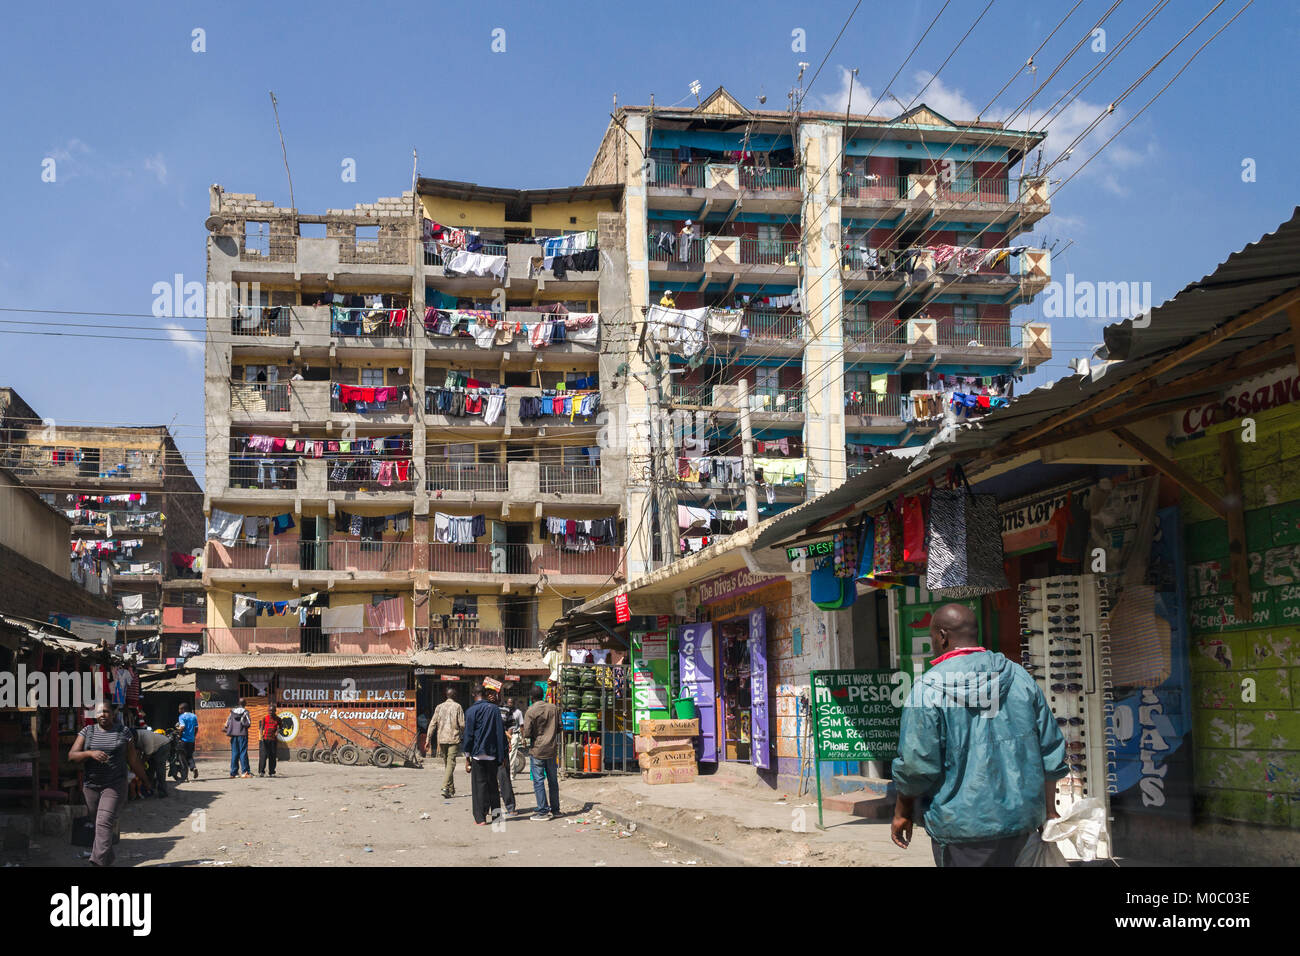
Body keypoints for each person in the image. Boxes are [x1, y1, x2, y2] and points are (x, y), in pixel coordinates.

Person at [890, 603, 1068, 867]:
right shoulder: (1019, 677)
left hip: (961, 829)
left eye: (932, 639)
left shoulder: (926, 689)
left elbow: (916, 764)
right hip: (1022, 822)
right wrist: (1049, 808)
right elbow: (1051, 750)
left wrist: (901, 811)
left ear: (942, 636)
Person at [69, 703, 151, 866]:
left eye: (106, 711)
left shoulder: (123, 732)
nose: (103, 715)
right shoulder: (87, 732)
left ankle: (97, 862)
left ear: (113, 714)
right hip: (91, 786)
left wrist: (146, 780)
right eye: (99, 712)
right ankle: (108, 858)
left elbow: (133, 760)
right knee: (98, 822)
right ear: (95, 715)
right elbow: (72, 756)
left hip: (115, 784)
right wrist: (90, 753)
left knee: (104, 821)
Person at [461, 685, 508, 825]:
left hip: (477, 755)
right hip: (493, 754)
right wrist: (503, 755)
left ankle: (480, 818)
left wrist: (467, 758)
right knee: (493, 785)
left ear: (473, 694)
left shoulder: (470, 711)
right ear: (485, 694)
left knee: (479, 787)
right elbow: (500, 733)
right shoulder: (494, 709)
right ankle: (497, 817)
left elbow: (468, 735)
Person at [521, 684, 561, 820]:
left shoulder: (531, 711)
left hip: (537, 750)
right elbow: (559, 727)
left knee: (538, 781)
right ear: (542, 694)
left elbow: (526, 733)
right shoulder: (553, 708)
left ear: (531, 697)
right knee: (553, 780)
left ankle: (543, 811)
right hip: (552, 749)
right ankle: (556, 810)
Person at [431, 687, 465, 799]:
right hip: (453, 739)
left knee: (448, 765)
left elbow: (432, 723)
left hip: (441, 739)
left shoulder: (439, 707)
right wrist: (466, 735)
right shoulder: (458, 706)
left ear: (446, 695)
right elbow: (462, 724)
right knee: (451, 764)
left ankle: (451, 789)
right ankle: (445, 787)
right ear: (455, 696)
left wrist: (428, 738)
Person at [134, 726, 170, 798]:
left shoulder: (146, 737)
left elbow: (148, 754)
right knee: (150, 768)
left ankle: (163, 791)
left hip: (163, 745)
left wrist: (141, 763)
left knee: (159, 769)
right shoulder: (133, 737)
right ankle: (150, 789)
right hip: (153, 748)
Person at [496, 697, 518, 813]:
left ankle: (510, 807)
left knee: (504, 778)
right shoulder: (482, 709)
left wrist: (508, 739)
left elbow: (511, 725)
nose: (491, 695)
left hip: (502, 748)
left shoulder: (505, 711)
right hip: (486, 750)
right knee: (487, 780)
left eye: (494, 693)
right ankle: (488, 808)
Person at [224, 699, 253, 778]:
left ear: (238, 703)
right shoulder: (245, 712)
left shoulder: (232, 712)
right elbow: (248, 723)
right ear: (245, 703)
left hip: (233, 735)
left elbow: (227, 723)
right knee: (243, 753)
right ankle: (245, 772)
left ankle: (233, 773)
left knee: (234, 753)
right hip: (242, 734)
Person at [175, 702, 198, 781]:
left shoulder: (181, 716)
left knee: (182, 758)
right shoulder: (194, 716)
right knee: (189, 755)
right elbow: (196, 728)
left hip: (183, 740)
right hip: (191, 740)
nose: (178, 710)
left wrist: (179, 735)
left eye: (179, 709)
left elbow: (182, 726)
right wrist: (193, 736)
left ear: (183, 709)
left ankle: (185, 776)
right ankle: (193, 767)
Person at [258, 705, 282, 777]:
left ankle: (271, 772)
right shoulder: (265, 718)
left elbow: (280, 727)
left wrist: (277, 731)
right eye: (269, 711)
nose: (270, 712)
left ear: (275, 711)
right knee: (263, 756)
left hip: (273, 740)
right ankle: (261, 772)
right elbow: (262, 727)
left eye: (272, 711)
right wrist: (261, 735)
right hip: (265, 739)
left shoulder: (278, 719)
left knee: (272, 756)